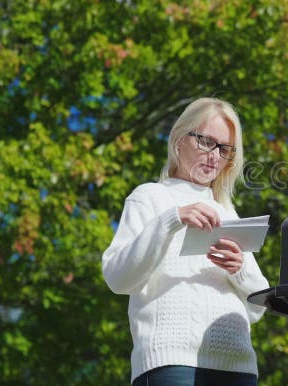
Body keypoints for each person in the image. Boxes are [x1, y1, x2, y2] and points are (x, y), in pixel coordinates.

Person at [102, 98, 269, 386]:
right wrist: (172, 219)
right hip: (171, 362)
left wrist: (239, 268)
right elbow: (118, 278)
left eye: (225, 149)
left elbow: (258, 306)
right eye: (206, 141)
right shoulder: (149, 197)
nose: (214, 156)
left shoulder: (227, 212)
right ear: (179, 140)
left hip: (237, 367)